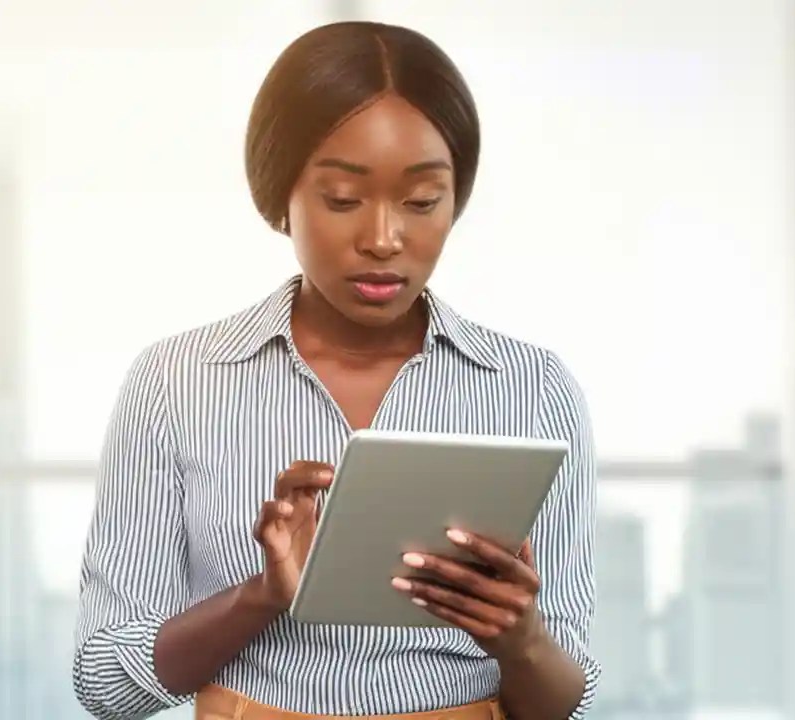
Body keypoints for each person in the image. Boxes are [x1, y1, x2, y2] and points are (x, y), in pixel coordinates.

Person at [72, 19, 600, 720]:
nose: (383, 239)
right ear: (279, 195)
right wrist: (261, 597)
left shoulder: (534, 389)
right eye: (344, 199)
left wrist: (521, 642)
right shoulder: (176, 383)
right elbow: (106, 682)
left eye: (421, 202)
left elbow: (567, 703)